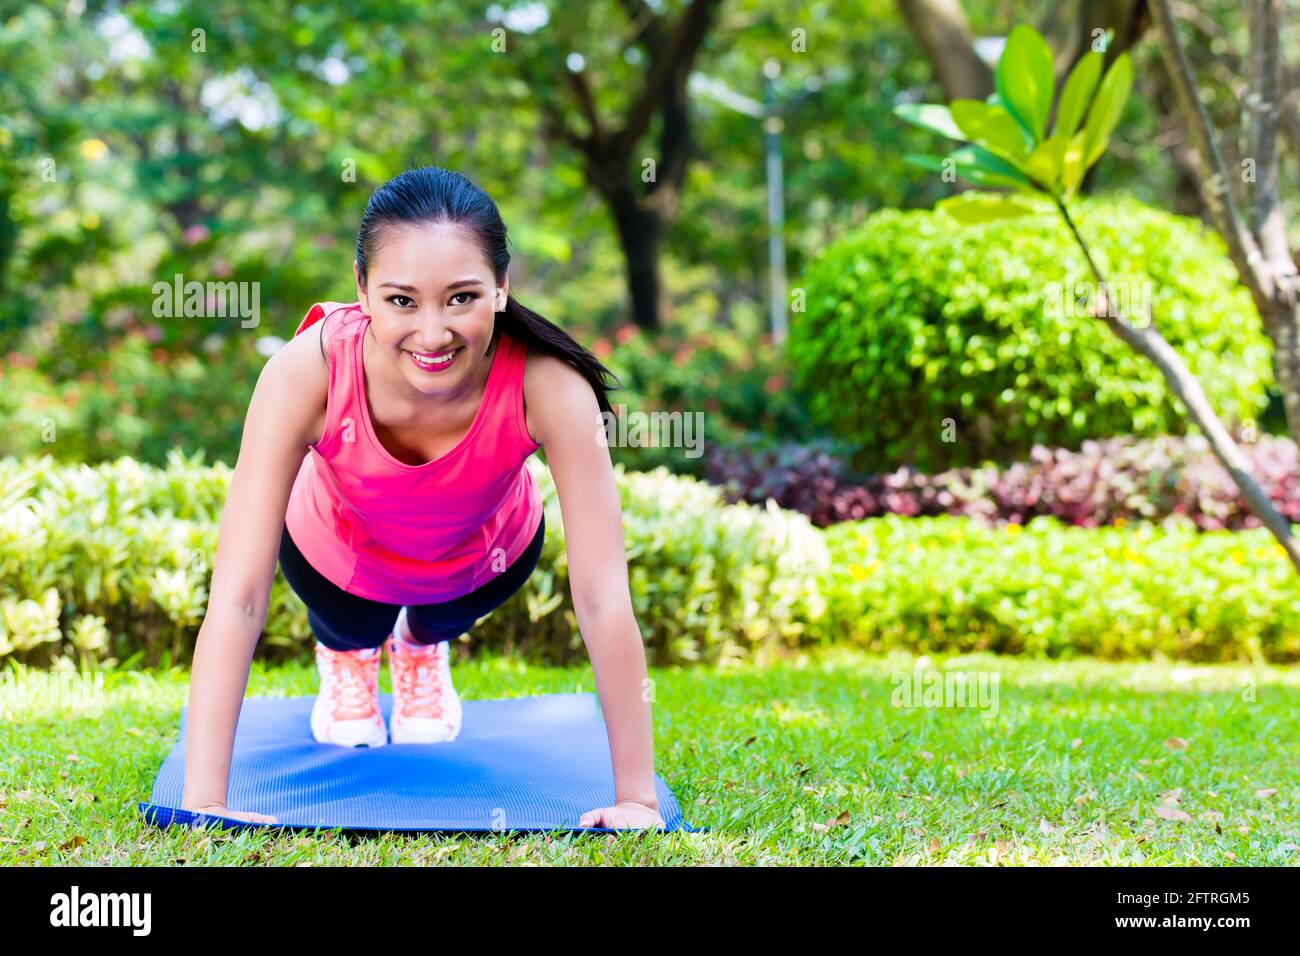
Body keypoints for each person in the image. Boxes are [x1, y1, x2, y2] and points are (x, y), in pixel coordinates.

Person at [179, 165, 665, 830]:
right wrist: (206, 802)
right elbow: (237, 596)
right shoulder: (306, 371)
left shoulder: (549, 384)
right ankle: (350, 655)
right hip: (337, 559)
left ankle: (420, 648)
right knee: (356, 627)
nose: (433, 334)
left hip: (481, 558)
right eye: (402, 301)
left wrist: (637, 798)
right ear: (363, 291)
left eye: (461, 298)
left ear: (501, 287)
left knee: (433, 619)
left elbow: (604, 594)